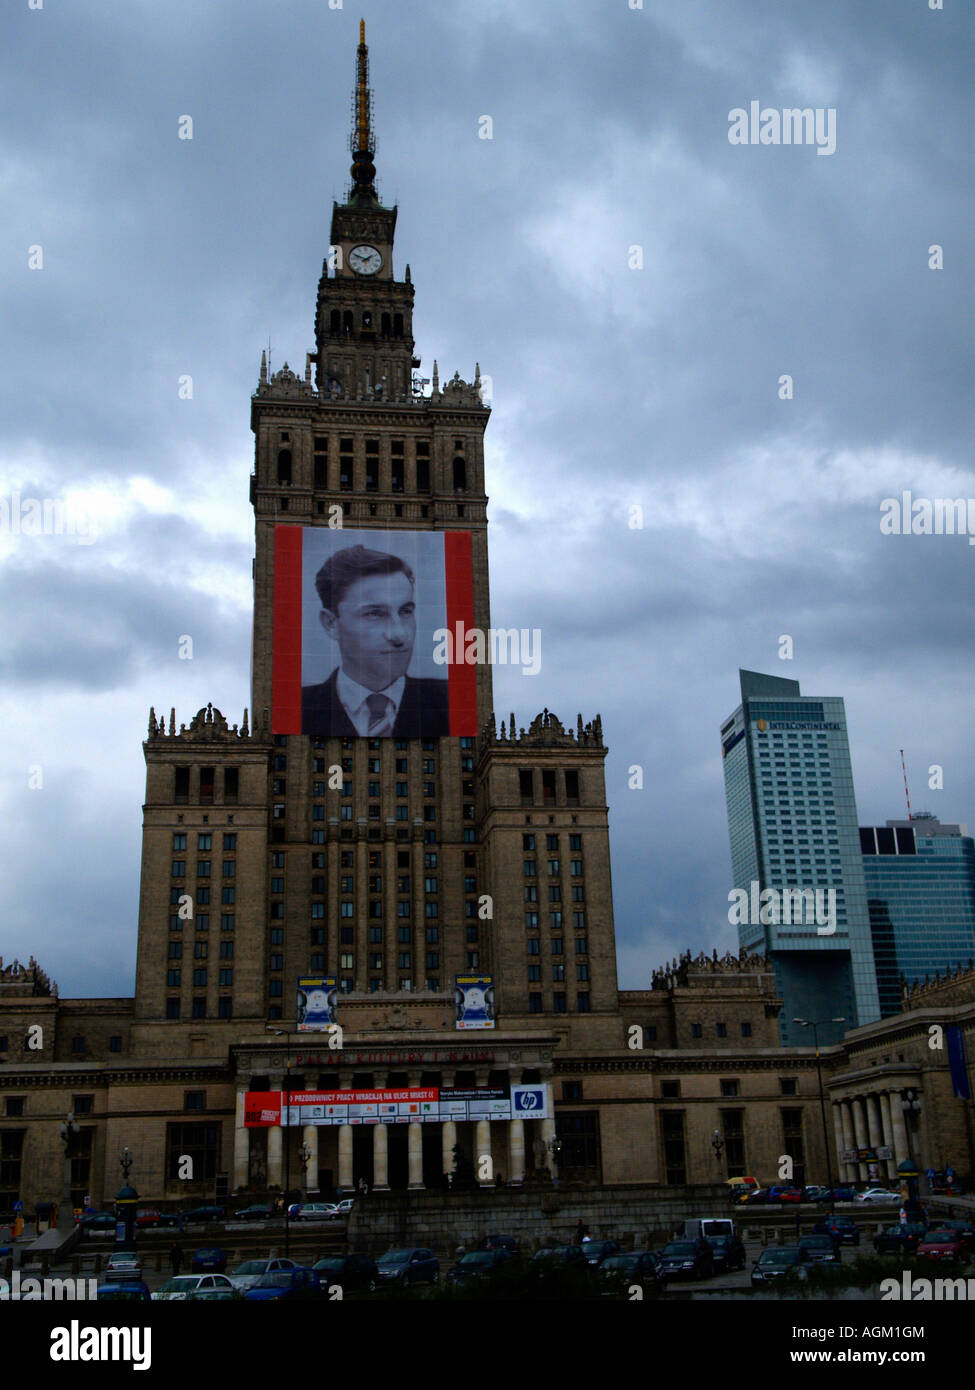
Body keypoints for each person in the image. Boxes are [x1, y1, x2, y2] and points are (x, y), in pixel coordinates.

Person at [301, 544, 450, 737]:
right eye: (375, 614)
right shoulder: (294, 709)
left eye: (405, 611)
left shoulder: (453, 701)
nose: (399, 635)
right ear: (331, 623)